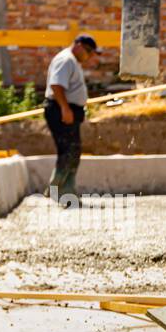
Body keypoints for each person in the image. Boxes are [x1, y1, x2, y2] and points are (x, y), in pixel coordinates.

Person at [43, 34, 100, 205]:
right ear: (78, 45)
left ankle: (66, 191)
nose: (88, 56)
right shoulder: (66, 60)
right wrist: (65, 108)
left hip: (67, 110)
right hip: (60, 110)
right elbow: (56, 85)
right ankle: (57, 189)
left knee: (73, 152)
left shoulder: (72, 61)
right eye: (88, 51)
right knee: (68, 151)